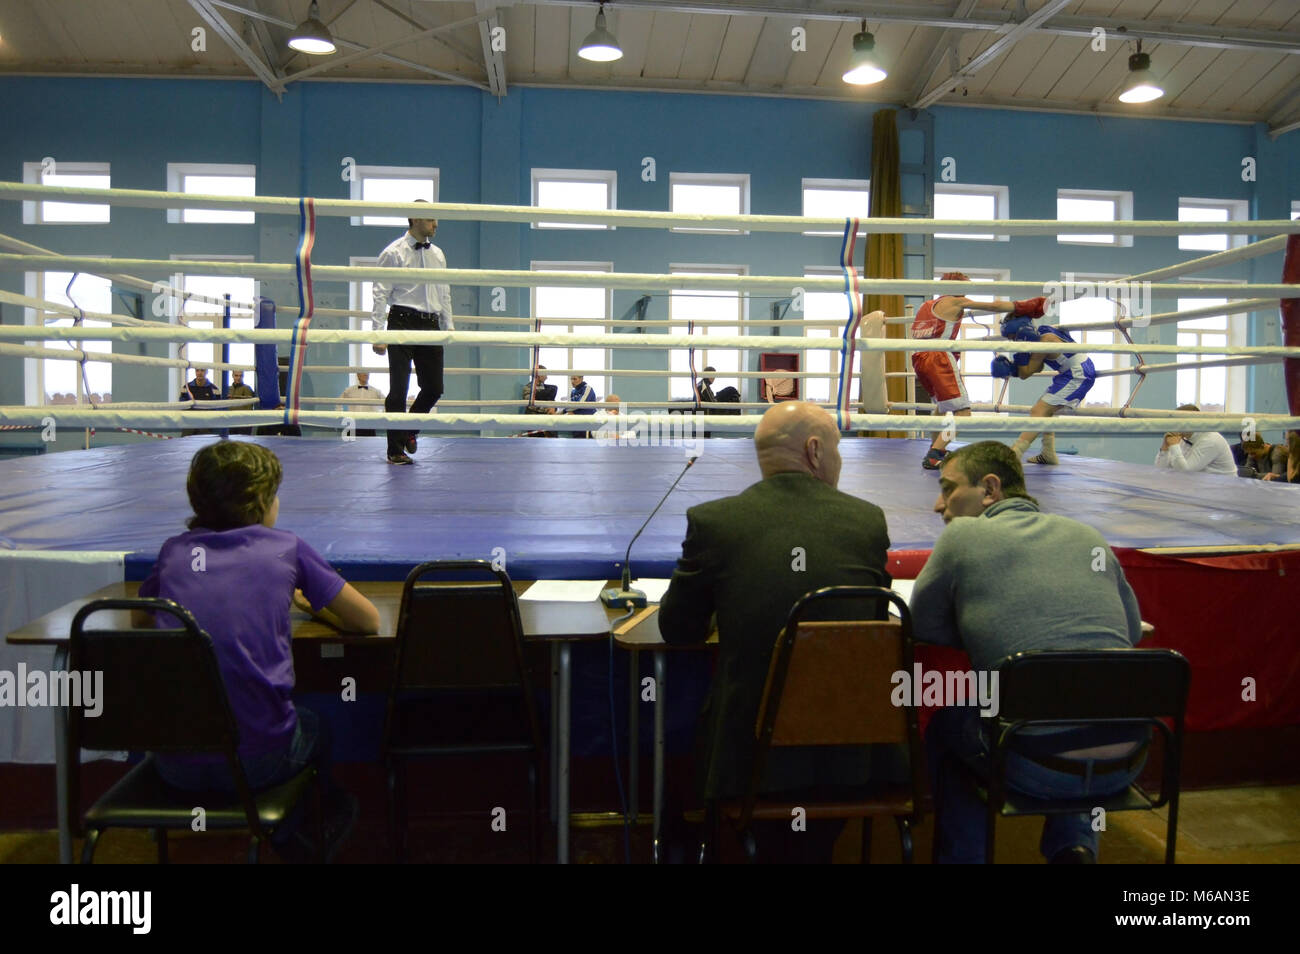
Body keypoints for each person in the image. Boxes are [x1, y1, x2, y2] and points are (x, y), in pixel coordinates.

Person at [658, 401, 904, 862]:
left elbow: (677, 630)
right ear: (814, 450)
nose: (840, 460)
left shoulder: (715, 522)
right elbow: (870, 618)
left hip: (751, 763)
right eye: (837, 448)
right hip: (854, 758)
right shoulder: (867, 519)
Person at [135, 441, 380, 862]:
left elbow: (144, 618)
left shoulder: (175, 552)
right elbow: (368, 621)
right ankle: (298, 834)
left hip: (173, 764)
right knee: (317, 725)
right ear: (264, 501)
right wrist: (313, 611)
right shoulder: (286, 547)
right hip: (259, 763)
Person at [912, 441, 1148, 864]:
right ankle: (1074, 846)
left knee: (948, 724)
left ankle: (965, 858)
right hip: (1129, 759)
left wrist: (984, 624)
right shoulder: (1087, 535)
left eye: (948, 489)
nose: (938, 505)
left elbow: (922, 625)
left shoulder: (963, 535)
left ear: (989, 489)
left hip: (1033, 764)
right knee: (1075, 696)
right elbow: (1131, 634)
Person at [910, 274, 1029, 470]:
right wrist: (1022, 306)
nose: (966, 291)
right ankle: (935, 454)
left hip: (918, 358)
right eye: (964, 286)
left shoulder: (926, 306)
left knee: (941, 407)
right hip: (938, 356)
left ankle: (935, 445)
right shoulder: (957, 300)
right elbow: (994, 307)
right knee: (963, 413)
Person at [370, 201, 454, 465]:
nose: (436, 224)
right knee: (398, 388)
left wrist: (448, 327)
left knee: (434, 388)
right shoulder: (393, 252)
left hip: (431, 325)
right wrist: (377, 334)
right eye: (431, 219)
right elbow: (380, 293)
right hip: (401, 322)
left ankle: (408, 431)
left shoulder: (438, 254)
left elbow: (444, 291)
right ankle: (395, 450)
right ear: (415, 219)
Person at [995, 306, 1097, 465]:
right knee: (1045, 412)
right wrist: (1013, 366)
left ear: (1021, 330)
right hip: (1070, 373)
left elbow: (1026, 373)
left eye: (1013, 336)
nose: (1013, 341)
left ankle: (1014, 454)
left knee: (1039, 410)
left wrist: (1017, 361)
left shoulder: (1044, 341)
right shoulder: (1041, 333)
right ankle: (1048, 453)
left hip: (1078, 374)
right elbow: (1038, 367)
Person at [1153, 405, 1236, 475]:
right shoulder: (1182, 437)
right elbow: (1160, 470)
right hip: (1201, 486)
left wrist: (1174, 446)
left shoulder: (1211, 440)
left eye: (1177, 422)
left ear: (1192, 422)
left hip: (1224, 489)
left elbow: (1184, 474)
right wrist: (1165, 448)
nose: (1174, 426)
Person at [340, 372, 385, 438]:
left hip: (369, 424)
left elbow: (386, 402)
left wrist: (382, 416)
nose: (366, 375)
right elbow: (339, 402)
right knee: (350, 445)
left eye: (367, 373)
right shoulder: (349, 390)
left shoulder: (376, 391)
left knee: (370, 446)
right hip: (353, 423)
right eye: (363, 373)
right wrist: (340, 415)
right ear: (358, 375)